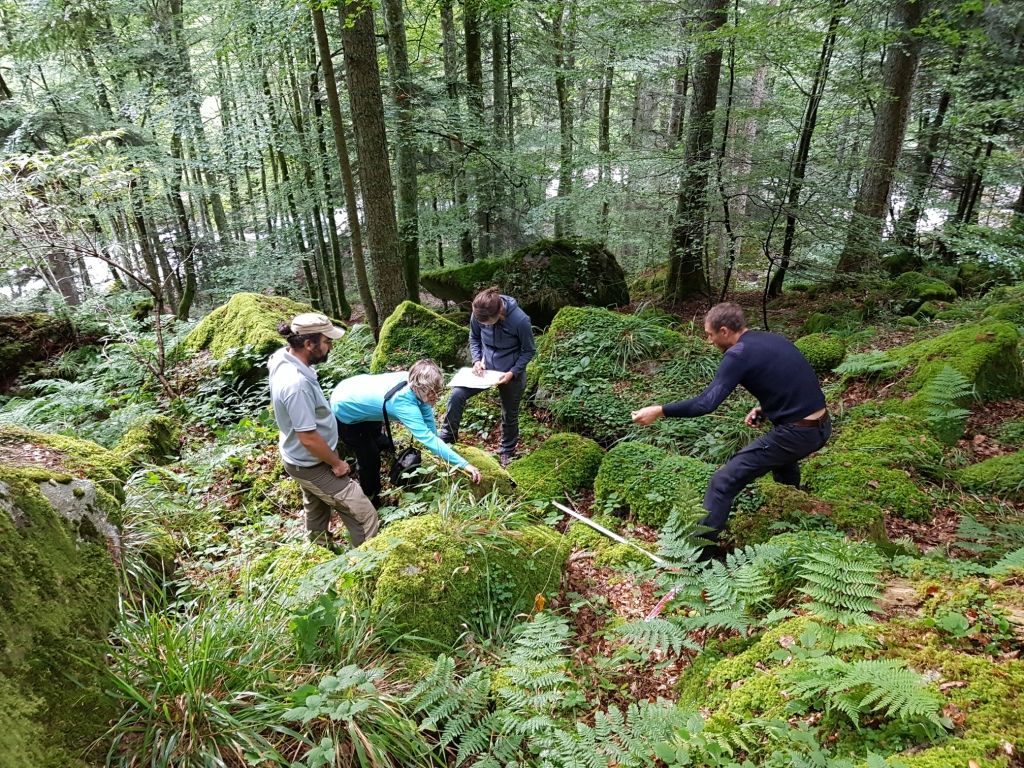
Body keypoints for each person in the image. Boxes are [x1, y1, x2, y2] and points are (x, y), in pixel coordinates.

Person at [631, 302, 831, 547]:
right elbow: (791, 381)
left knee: (722, 482)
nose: (709, 341)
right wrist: (766, 409)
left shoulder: (737, 355)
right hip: (820, 425)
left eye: (710, 335)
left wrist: (659, 410)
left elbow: (706, 404)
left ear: (724, 331)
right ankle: (793, 514)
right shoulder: (770, 340)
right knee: (782, 461)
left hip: (799, 432)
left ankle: (695, 558)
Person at [268, 313, 380, 553]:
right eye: (327, 342)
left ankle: (319, 553)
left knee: (316, 507)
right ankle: (366, 564)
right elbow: (307, 437)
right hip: (311, 463)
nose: (330, 347)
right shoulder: (295, 385)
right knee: (362, 512)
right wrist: (337, 463)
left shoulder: (285, 358)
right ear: (309, 344)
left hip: (301, 457)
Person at [331, 359, 483, 505]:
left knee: (379, 439)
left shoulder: (414, 381)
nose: (435, 396)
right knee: (370, 458)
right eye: (430, 392)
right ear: (418, 386)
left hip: (359, 396)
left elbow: (429, 421)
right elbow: (427, 438)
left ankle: (383, 452)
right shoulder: (403, 402)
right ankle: (371, 498)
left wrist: (443, 451)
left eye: (437, 391)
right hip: (346, 411)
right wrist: (465, 465)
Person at [439, 287, 536, 467]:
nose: (484, 324)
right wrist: (477, 360)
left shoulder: (520, 320)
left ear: (499, 312)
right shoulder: (479, 314)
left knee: (509, 413)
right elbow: (474, 337)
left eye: (488, 322)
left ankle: (507, 450)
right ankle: (447, 435)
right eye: (480, 321)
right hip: (485, 370)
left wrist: (513, 372)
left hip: (510, 372)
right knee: (457, 394)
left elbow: (529, 350)